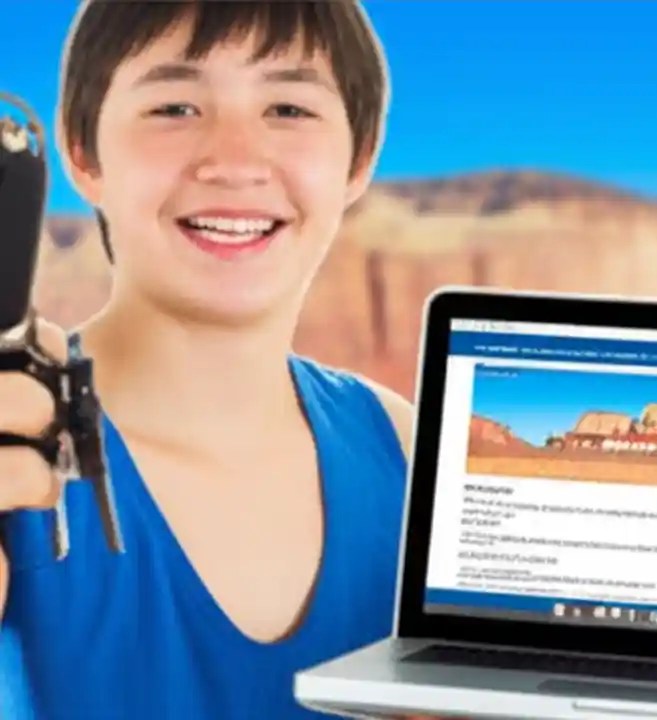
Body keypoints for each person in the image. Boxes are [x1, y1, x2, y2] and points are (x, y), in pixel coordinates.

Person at [0, 2, 440, 717]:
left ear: (359, 160)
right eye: (174, 106)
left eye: (289, 109)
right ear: (84, 152)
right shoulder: (13, 456)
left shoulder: (405, 450)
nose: (235, 162)